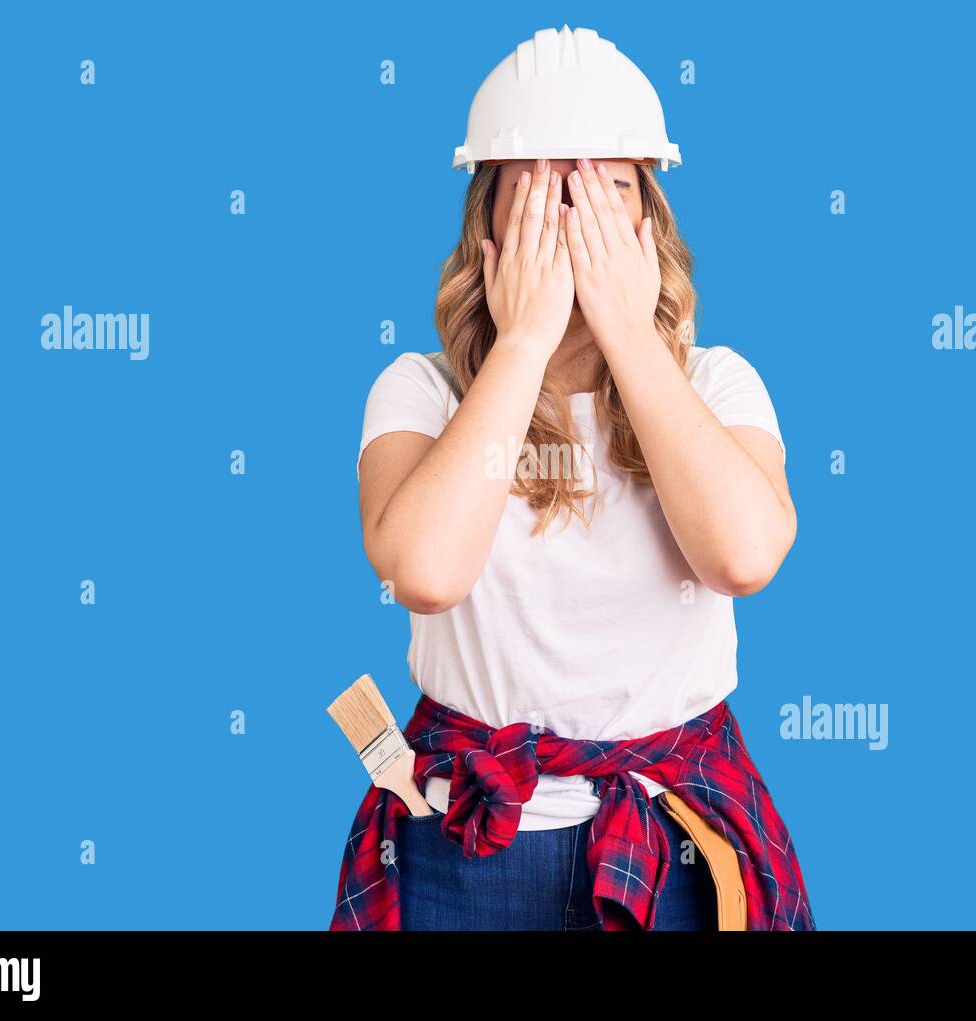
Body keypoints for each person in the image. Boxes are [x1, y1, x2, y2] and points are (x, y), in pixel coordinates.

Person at [332, 25, 814, 932]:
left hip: (671, 838)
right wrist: (522, 342)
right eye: (546, 194)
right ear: (488, 229)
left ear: (648, 225)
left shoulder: (717, 383)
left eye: (604, 192)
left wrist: (630, 334)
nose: (575, 221)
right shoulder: (420, 392)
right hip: (465, 840)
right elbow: (425, 572)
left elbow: (746, 556)